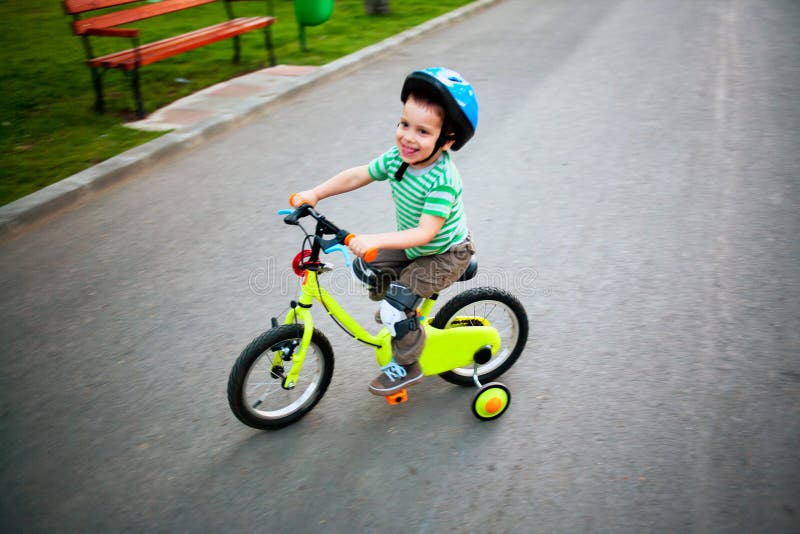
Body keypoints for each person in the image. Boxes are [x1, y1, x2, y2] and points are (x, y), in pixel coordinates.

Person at [291, 67, 478, 396]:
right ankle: (402, 314)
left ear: (447, 141)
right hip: (415, 246)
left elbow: (424, 234)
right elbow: (358, 175)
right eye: (404, 124)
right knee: (365, 268)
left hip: (446, 253)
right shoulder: (399, 159)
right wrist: (316, 194)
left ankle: (407, 365)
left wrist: (374, 239)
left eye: (422, 131)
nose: (408, 137)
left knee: (395, 304)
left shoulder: (444, 180)